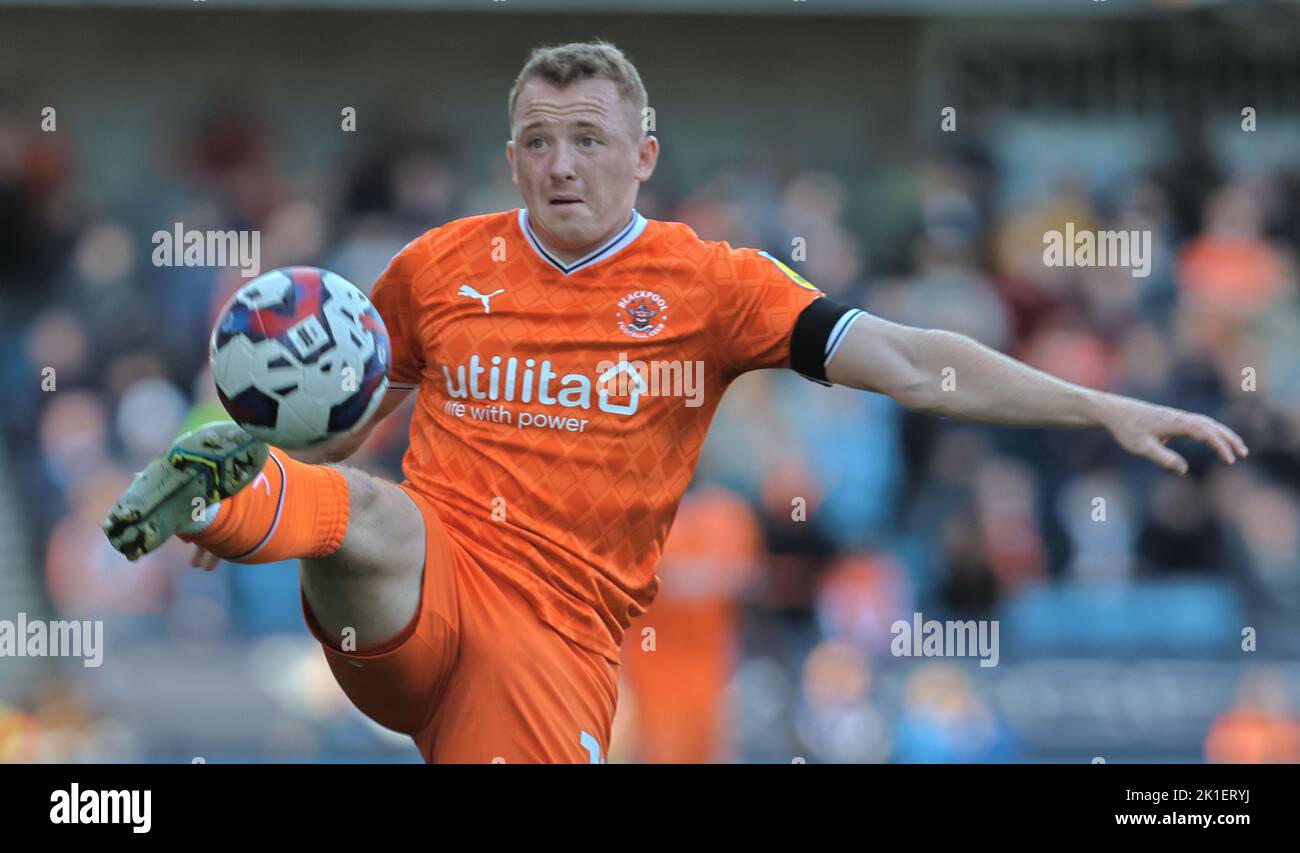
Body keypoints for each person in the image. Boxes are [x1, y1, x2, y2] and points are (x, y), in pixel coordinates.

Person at [102, 40, 1247, 763]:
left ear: (642, 154)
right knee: (376, 509)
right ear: (512, 157)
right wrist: (267, 479)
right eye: (540, 144)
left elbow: (906, 360)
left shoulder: (715, 287)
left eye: (588, 142)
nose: (562, 166)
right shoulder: (435, 268)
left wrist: (1093, 405)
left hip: (556, 641)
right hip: (416, 598)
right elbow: (349, 411)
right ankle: (227, 499)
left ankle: (244, 497)